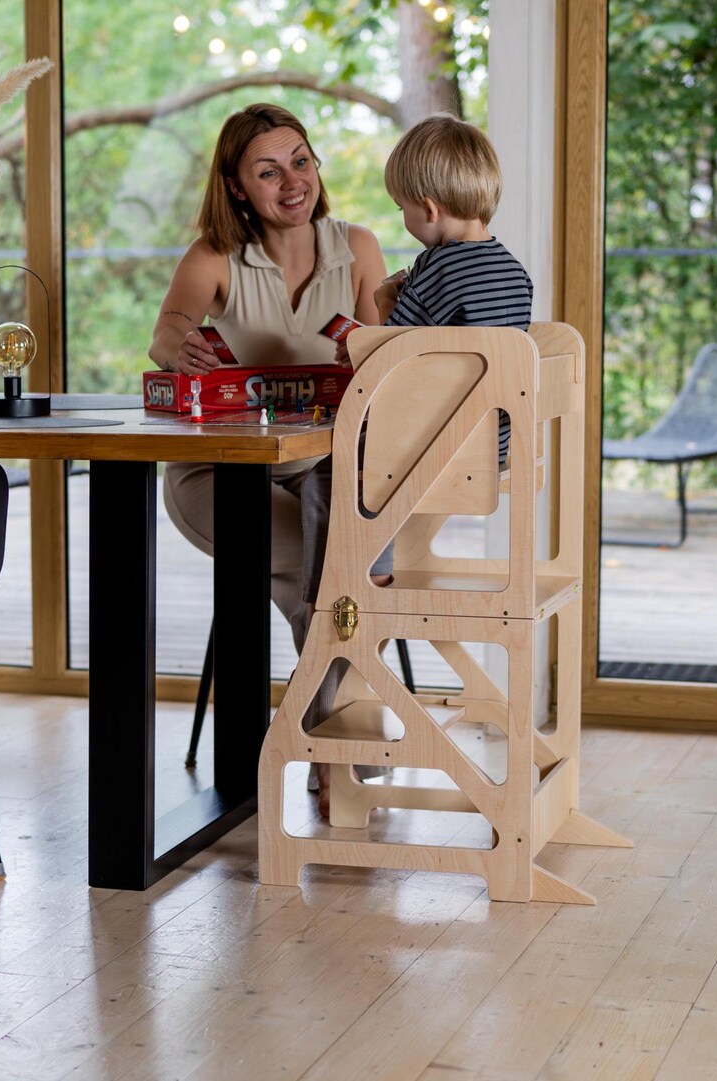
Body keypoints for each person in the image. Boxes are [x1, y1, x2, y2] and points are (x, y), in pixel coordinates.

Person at [148, 103, 387, 816]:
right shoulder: (214, 257)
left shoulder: (359, 246)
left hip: (321, 470)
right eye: (268, 170)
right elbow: (166, 332)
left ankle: (326, 746)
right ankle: (339, 754)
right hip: (218, 475)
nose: (292, 181)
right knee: (335, 582)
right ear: (236, 186)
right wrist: (178, 348)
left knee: (323, 579)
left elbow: (388, 363)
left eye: (302, 161)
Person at [299, 112, 534, 608]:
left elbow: (389, 356)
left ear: (428, 209)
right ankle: (367, 572)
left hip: (438, 443)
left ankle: (343, 588)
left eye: (400, 206)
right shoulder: (514, 270)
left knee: (331, 467)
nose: (402, 217)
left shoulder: (437, 267)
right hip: (491, 440)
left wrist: (381, 310)